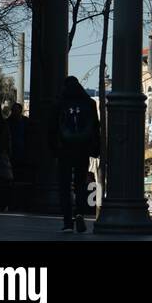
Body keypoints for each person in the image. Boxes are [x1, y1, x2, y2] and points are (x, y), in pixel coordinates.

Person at [50, 76, 100, 233]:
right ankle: (79, 212)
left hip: (64, 150)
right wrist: (95, 149)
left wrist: (54, 149)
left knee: (64, 186)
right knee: (80, 184)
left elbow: (51, 129)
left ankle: (67, 221)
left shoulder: (59, 104)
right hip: (82, 149)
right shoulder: (90, 103)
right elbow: (95, 128)